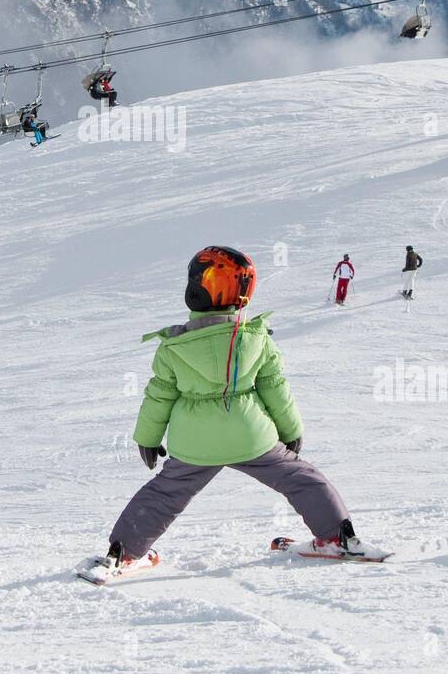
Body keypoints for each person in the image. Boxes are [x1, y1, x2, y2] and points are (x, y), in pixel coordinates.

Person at [97, 246, 377, 576]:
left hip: (195, 445)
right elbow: (276, 389)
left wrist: (147, 437)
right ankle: (337, 536)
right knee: (302, 479)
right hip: (252, 438)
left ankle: (123, 553)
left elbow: (158, 396)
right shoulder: (257, 339)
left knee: (163, 494)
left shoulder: (173, 347)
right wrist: (291, 431)